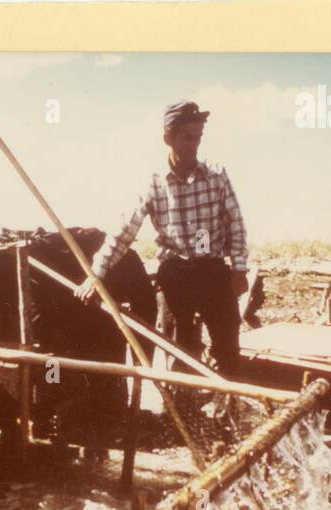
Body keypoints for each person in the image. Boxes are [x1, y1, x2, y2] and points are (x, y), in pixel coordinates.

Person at [75, 98, 248, 376]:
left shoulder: (216, 174)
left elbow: (235, 223)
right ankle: (182, 411)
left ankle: (228, 411)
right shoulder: (153, 181)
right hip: (176, 274)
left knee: (228, 346)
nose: (194, 145)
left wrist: (239, 269)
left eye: (198, 136)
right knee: (181, 349)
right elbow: (124, 231)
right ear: (168, 138)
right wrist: (96, 275)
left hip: (213, 271)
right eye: (186, 137)